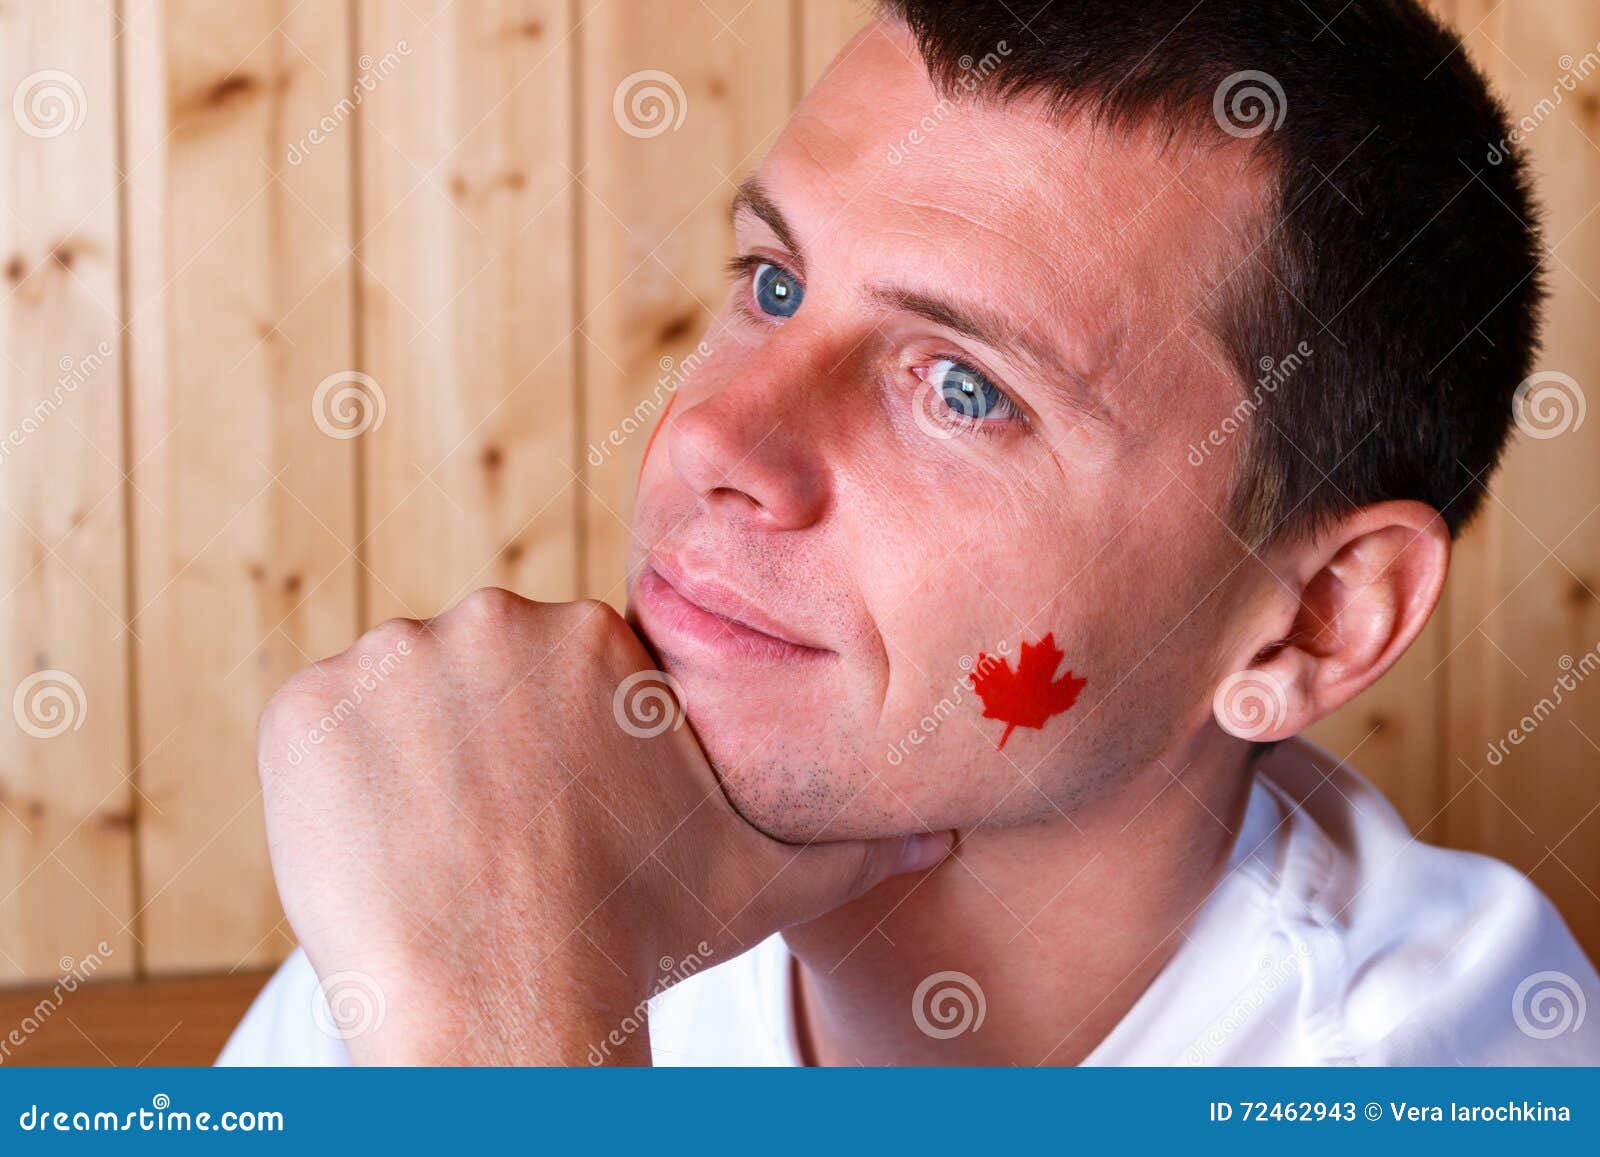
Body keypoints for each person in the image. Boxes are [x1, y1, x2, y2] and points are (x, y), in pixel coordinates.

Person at [221, 0, 1599, 1066]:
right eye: (771, 283)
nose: (715, 440)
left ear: (1316, 619)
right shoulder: (515, 836)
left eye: (963, 386)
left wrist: (506, 1032)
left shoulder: (1446, 1062)